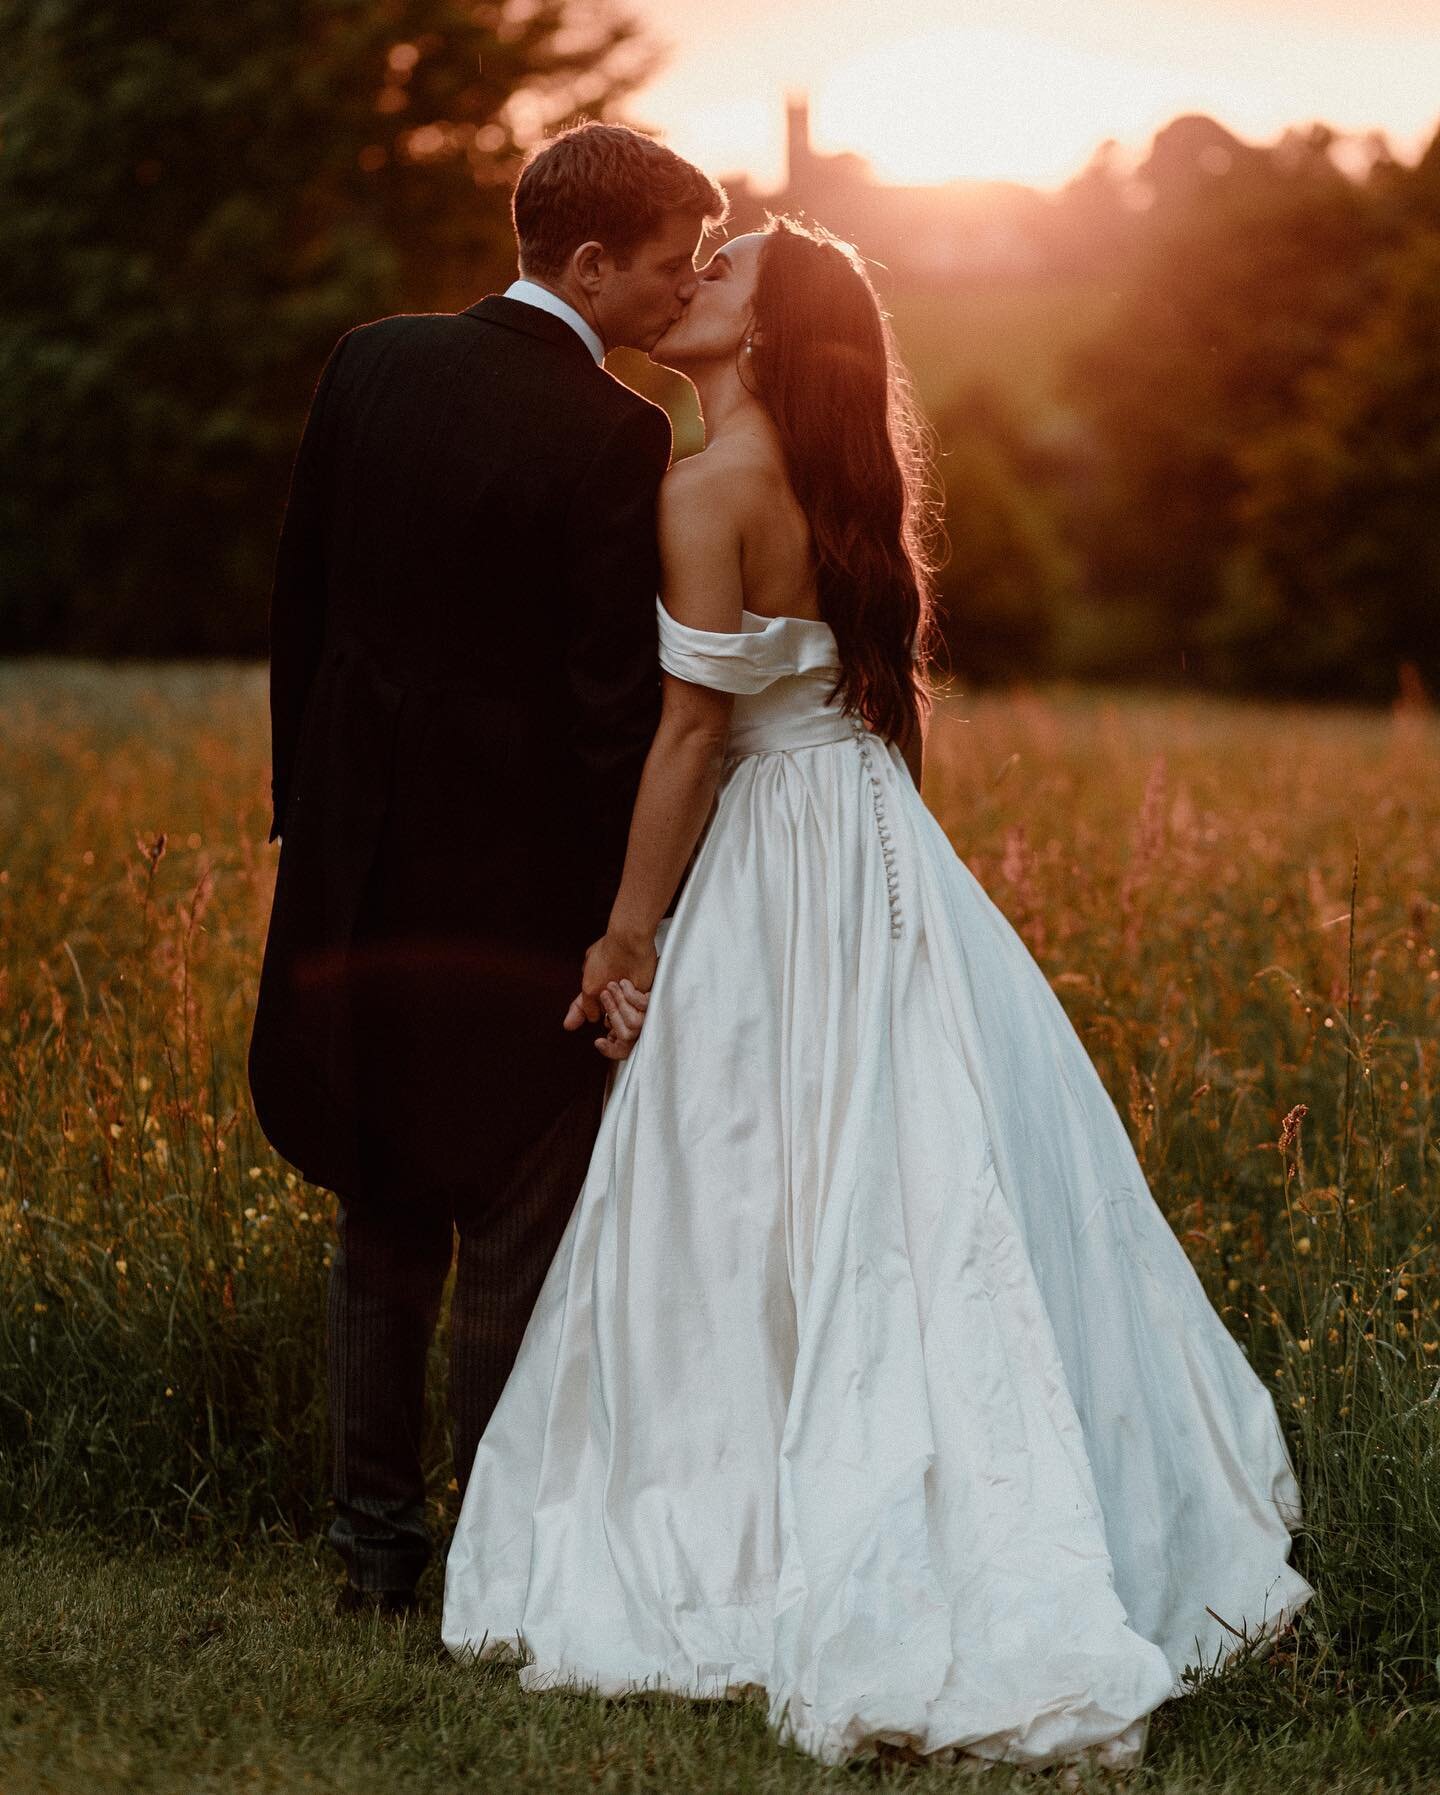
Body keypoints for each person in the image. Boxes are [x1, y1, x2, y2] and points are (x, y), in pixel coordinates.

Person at [440, 216, 1313, 1770]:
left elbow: (696, 735)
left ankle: (774, 1534)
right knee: (903, 1167)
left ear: (765, 338)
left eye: (723, 276)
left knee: (760, 1176)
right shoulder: (847, 482)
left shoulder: (705, 487)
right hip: (879, 848)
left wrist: (628, 933)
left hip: (777, 853)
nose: (693, 276)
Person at [247, 122, 728, 1615]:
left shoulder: (370, 362)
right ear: (589, 262)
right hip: (518, 905)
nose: (681, 291)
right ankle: (494, 1566)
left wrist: (308, 825)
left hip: (357, 883)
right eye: (666, 267)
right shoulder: (616, 434)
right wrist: (622, 920)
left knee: (379, 1215)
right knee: (516, 1231)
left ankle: (372, 1552)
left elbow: (303, 609)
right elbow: (608, 710)